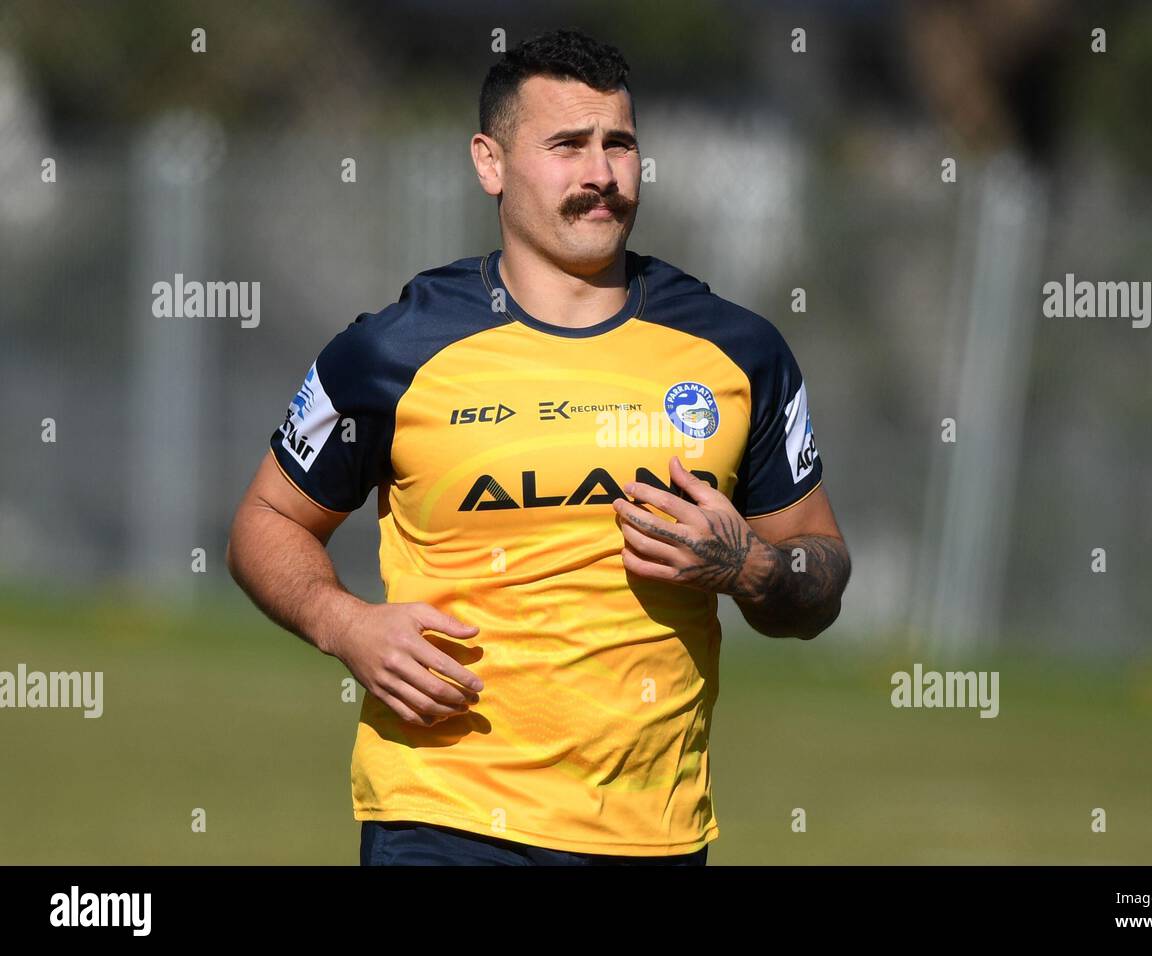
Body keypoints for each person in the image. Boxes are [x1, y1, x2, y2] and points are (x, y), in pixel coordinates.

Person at [227, 27, 851, 866]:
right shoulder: (393, 351)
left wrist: (748, 569)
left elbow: (823, 574)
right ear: (490, 162)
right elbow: (266, 520)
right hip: (439, 818)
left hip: (650, 837)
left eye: (619, 145)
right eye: (567, 146)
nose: (600, 175)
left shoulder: (740, 352)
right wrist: (347, 625)